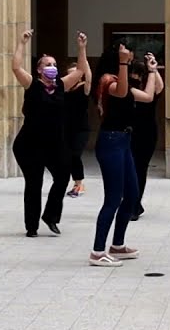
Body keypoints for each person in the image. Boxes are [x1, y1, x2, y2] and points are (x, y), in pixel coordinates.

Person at [11, 30, 90, 237]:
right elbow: (16, 67)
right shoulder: (32, 85)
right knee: (34, 183)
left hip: (55, 142)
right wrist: (22, 43)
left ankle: (51, 216)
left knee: (63, 176)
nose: (52, 68)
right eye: (47, 65)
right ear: (39, 70)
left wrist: (81, 48)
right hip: (30, 143)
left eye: (54, 65)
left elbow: (81, 71)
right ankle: (31, 226)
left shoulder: (62, 86)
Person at [89, 42, 159, 266]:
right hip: (110, 141)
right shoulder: (107, 81)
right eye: (125, 57)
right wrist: (122, 62)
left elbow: (148, 96)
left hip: (124, 141)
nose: (129, 58)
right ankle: (98, 252)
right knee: (113, 198)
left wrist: (152, 71)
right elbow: (120, 92)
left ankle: (117, 245)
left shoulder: (122, 81)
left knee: (131, 195)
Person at [129, 53, 164, 220]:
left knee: (139, 169)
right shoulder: (129, 89)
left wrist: (153, 69)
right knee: (132, 170)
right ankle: (135, 203)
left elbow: (159, 87)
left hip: (146, 133)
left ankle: (135, 205)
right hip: (130, 132)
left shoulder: (147, 89)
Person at [64, 58, 92, 198]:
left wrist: (83, 54)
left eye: (75, 74)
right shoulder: (63, 89)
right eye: (70, 74)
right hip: (65, 128)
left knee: (75, 155)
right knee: (65, 156)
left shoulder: (83, 88)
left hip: (81, 128)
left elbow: (89, 78)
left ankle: (78, 184)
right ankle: (65, 182)